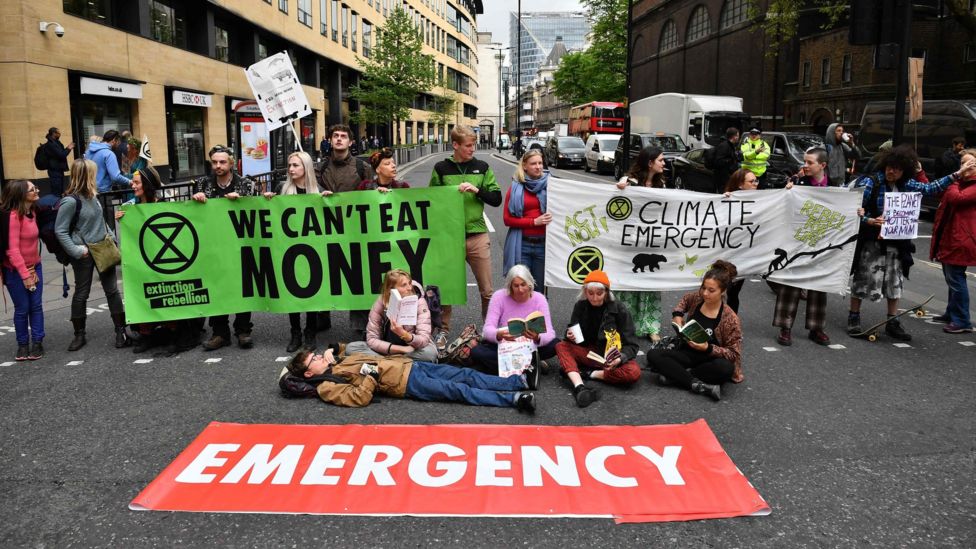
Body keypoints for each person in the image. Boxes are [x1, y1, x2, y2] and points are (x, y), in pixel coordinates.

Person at [848, 144, 961, 340]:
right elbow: (854, 210)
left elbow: (930, 188)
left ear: (904, 171)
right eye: (889, 166)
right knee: (863, 278)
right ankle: (853, 317)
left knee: (895, 280)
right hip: (872, 241)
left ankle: (893, 321)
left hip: (897, 242)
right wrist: (869, 220)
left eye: (897, 168)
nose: (892, 171)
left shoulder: (907, 184)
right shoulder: (871, 183)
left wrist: (957, 174)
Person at [278, 348, 538, 412]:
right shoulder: (325, 386)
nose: (319, 356)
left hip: (410, 365)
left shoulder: (337, 362)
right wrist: (371, 375)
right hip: (405, 384)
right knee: (458, 390)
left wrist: (336, 351)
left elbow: (360, 354)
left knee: (465, 374)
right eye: (314, 359)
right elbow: (358, 397)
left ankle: (517, 382)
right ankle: (515, 399)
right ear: (309, 373)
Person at [429, 125, 501, 338]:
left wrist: (477, 190)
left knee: (487, 290)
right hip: (450, 237)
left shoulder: (483, 166)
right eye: (468, 145)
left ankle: (489, 332)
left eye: (474, 145)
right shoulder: (441, 168)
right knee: (447, 288)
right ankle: (443, 332)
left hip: (477, 235)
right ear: (455, 145)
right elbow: (430, 200)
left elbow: (496, 199)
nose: (472, 149)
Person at [55, 159, 130, 351]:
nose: (96, 176)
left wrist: (111, 238)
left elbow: (101, 221)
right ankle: (79, 335)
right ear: (86, 175)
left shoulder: (92, 196)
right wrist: (77, 251)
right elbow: (60, 231)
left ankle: (120, 331)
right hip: (85, 254)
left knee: (112, 291)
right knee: (82, 293)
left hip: (103, 248)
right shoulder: (70, 201)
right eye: (93, 173)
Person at [261, 151, 330, 352]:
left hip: (312, 250)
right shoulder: (282, 188)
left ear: (306, 167)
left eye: (295, 165)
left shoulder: (318, 189)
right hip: (289, 250)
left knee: (312, 292)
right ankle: (295, 332)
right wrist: (269, 199)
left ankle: (310, 332)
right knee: (292, 290)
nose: (291, 169)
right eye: (289, 165)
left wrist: (328, 200)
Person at [193, 145, 260, 350]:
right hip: (212, 246)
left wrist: (243, 202)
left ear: (231, 163)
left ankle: (243, 330)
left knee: (242, 287)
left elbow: (259, 211)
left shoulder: (246, 185)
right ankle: (219, 332)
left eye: (222, 162)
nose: (218, 166)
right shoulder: (202, 185)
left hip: (240, 246)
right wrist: (196, 200)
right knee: (216, 287)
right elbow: (193, 217)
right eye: (214, 162)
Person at [646, 260, 743, 401]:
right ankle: (694, 383)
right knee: (653, 354)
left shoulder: (730, 318)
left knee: (725, 369)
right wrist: (677, 316)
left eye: (711, 290)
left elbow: (733, 353)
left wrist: (708, 348)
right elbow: (683, 302)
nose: (705, 293)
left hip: (709, 360)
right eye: (703, 288)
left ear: (723, 291)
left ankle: (677, 376)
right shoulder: (696, 298)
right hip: (687, 353)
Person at [315, 124, 375, 336]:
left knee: (356, 274)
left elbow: (371, 194)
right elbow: (309, 193)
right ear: (330, 140)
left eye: (343, 137)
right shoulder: (320, 168)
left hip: (354, 230)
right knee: (323, 272)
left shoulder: (362, 167)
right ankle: (322, 316)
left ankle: (360, 323)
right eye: (335, 136)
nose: (339, 139)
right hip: (325, 229)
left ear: (350, 142)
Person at [773, 148, 833, 346]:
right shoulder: (797, 183)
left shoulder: (834, 186)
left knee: (818, 284)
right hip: (796, 240)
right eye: (804, 162)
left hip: (822, 242)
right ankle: (785, 327)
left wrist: (856, 209)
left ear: (822, 165)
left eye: (809, 163)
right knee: (790, 283)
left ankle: (816, 328)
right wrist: (786, 192)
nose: (804, 166)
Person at [555, 270, 641, 408]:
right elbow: (573, 332)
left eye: (599, 293)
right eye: (590, 293)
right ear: (585, 292)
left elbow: (632, 345)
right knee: (561, 346)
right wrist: (569, 335)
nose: (595, 298)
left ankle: (588, 374)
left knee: (633, 372)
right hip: (589, 352)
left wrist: (620, 358)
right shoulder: (580, 306)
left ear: (606, 292)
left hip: (611, 357)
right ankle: (579, 387)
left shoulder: (619, 309)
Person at [614, 146, 667, 342]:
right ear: (650, 162)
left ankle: (651, 326)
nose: (664, 163)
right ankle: (623, 325)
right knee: (628, 285)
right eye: (661, 160)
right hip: (631, 244)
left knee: (650, 285)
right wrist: (620, 187)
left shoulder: (662, 185)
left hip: (652, 243)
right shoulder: (630, 183)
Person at [470, 265, 558, 375]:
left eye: (523, 285)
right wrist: (499, 334)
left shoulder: (539, 299)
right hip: (506, 345)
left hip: (530, 345)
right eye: (516, 286)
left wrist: (537, 337)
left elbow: (550, 333)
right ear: (510, 286)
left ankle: (506, 366)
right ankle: (530, 364)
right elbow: (487, 329)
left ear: (529, 284)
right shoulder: (499, 297)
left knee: (556, 344)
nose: (520, 289)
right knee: (476, 352)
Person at [929, 149, 976, 333]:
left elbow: (956, 198)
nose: (966, 167)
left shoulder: (968, 185)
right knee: (951, 278)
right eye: (963, 163)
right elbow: (937, 192)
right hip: (951, 237)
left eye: (971, 164)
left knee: (956, 279)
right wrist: (920, 173)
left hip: (961, 239)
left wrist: (954, 180)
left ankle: (962, 320)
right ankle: (951, 313)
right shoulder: (961, 183)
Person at [345, 269, 437, 362]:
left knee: (429, 354)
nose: (409, 288)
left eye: (409, 283)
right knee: (351, 348)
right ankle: (397, 362)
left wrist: (403, 333)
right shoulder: (381, 302)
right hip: (390, 349)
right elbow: (372, 339)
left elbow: (423, 339)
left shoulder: (420, 302)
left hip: (412, 348)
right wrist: (401, 349)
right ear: (391, 290)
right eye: (404, 285)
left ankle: (385, 362)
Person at [2, 180, 45, 360]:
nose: (37, 190)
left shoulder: (34, 212)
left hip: (36, 266)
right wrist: (25, 275)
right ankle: (22, 345)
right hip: (15, 271)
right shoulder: (13, 216)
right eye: (32, 189)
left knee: (36, 306)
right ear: (21, 195)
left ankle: (37, 342)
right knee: (22, 308)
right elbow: (12, 250)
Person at [502, 150, 550, 286]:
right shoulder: (515, 187)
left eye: (540, 163)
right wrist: (534, 222)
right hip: (522, 245)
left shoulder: (551, 185)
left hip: (544, 245)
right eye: (533, 163)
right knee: (522, 288)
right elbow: (507, 219)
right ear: (524, 166)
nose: (538, 167)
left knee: (539, 288)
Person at [720, 168, 760, 314]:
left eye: (756, 180)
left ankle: (730, 327)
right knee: (721, 291)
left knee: (733, 293)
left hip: (744, 256)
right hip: (727, 255)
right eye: (751, 181)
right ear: (740, 185)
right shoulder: (728, 200)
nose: (755, 183)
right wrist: (723, 201)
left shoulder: (763, 202)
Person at [42, 127, 74, 197]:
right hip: (54, 170)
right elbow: (61, 155)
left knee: (60, 190)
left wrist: (67, 148)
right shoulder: (50, 144)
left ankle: (59, 204)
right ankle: (56, 206)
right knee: (56, 191)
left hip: (58, 169)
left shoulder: (56, 142)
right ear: (54, 133)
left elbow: (61, 153)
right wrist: (69, 148)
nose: (60, 134)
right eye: (58, 133)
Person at [710, 127, 741, 194]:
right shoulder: (724, 146)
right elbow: (718, 161)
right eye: (738, 135)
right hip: (723, 178)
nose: (738, 137)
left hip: (728, 177)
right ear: (734, 136)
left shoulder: (731, 145)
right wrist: (731, 160)